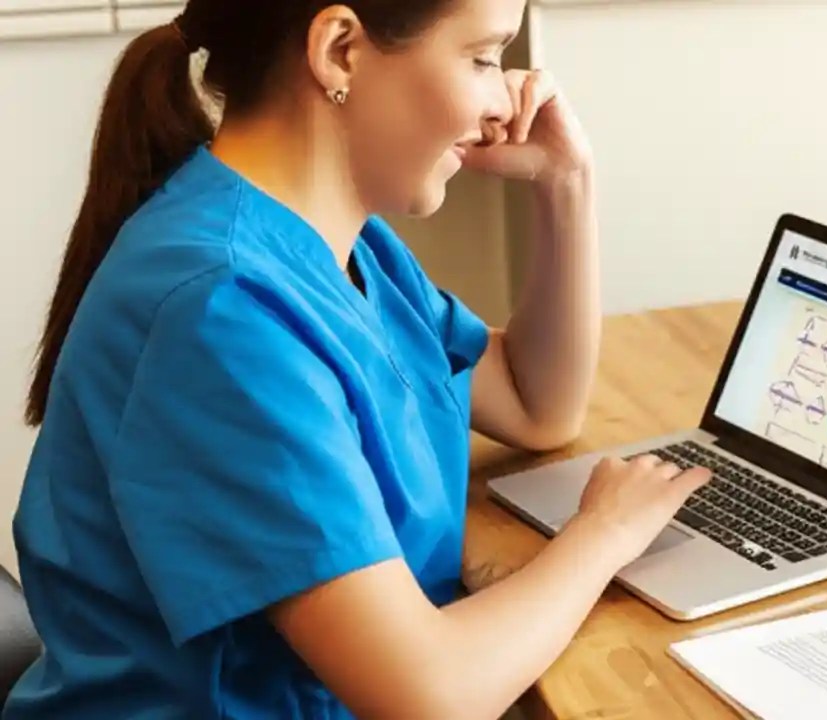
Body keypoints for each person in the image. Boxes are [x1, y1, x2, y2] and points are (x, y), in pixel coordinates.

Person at [3, 1, 711, 718]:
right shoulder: (222, 312)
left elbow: (537, 404)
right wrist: (602, 534)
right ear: (340, 50)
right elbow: (430, 696)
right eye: (482, 58)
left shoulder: (344, 246)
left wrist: (567, 183)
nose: (506, 100)